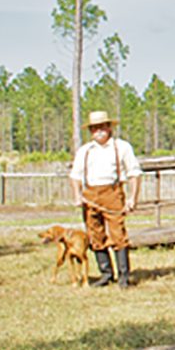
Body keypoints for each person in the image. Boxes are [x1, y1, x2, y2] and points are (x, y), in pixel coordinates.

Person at [69, 109, 141, 287]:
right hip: (90, 195)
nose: (98, 131)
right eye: (94, 128)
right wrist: (77, 196)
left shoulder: (122, 147)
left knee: (118, 235)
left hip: (113, 194)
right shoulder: (85, 151)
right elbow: (75, 176)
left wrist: (133, 198)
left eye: (102, 127)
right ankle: (106, 274)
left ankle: (123, 276)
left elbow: (134, 173)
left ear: (109, 128)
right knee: (95, 235)